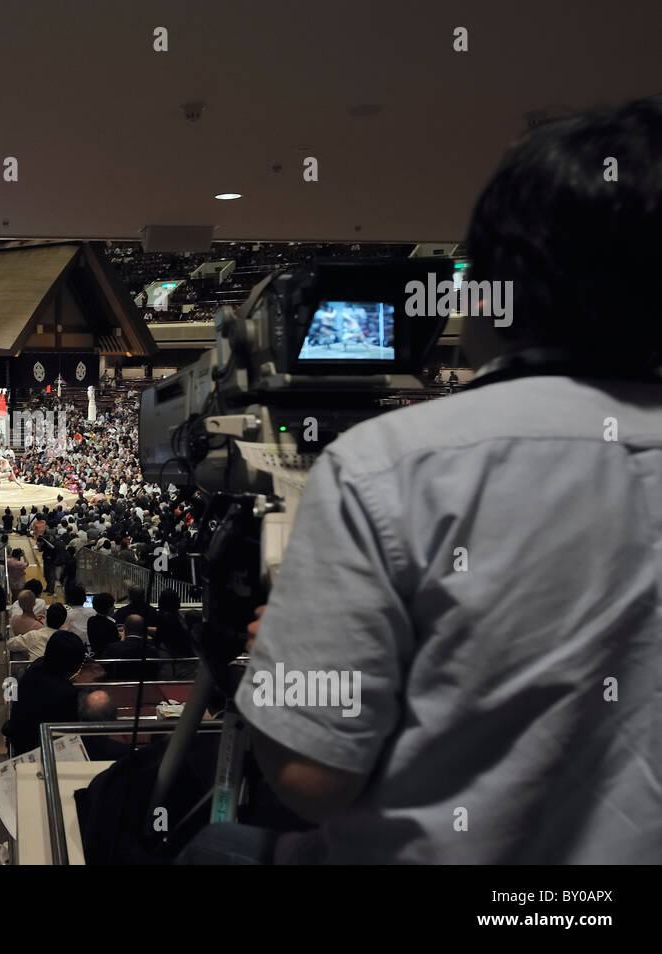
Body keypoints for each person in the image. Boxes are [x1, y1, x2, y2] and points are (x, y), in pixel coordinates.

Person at [185, 98, 662, 865]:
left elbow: (311, 777)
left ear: (494, 290)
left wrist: (278, 665)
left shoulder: (393, 465)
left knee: (216, 850)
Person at [1, 630, 85, 756]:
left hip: (18, 736)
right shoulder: (66, 693)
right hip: (37, 749)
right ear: (73, 665)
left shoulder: (38, 665)